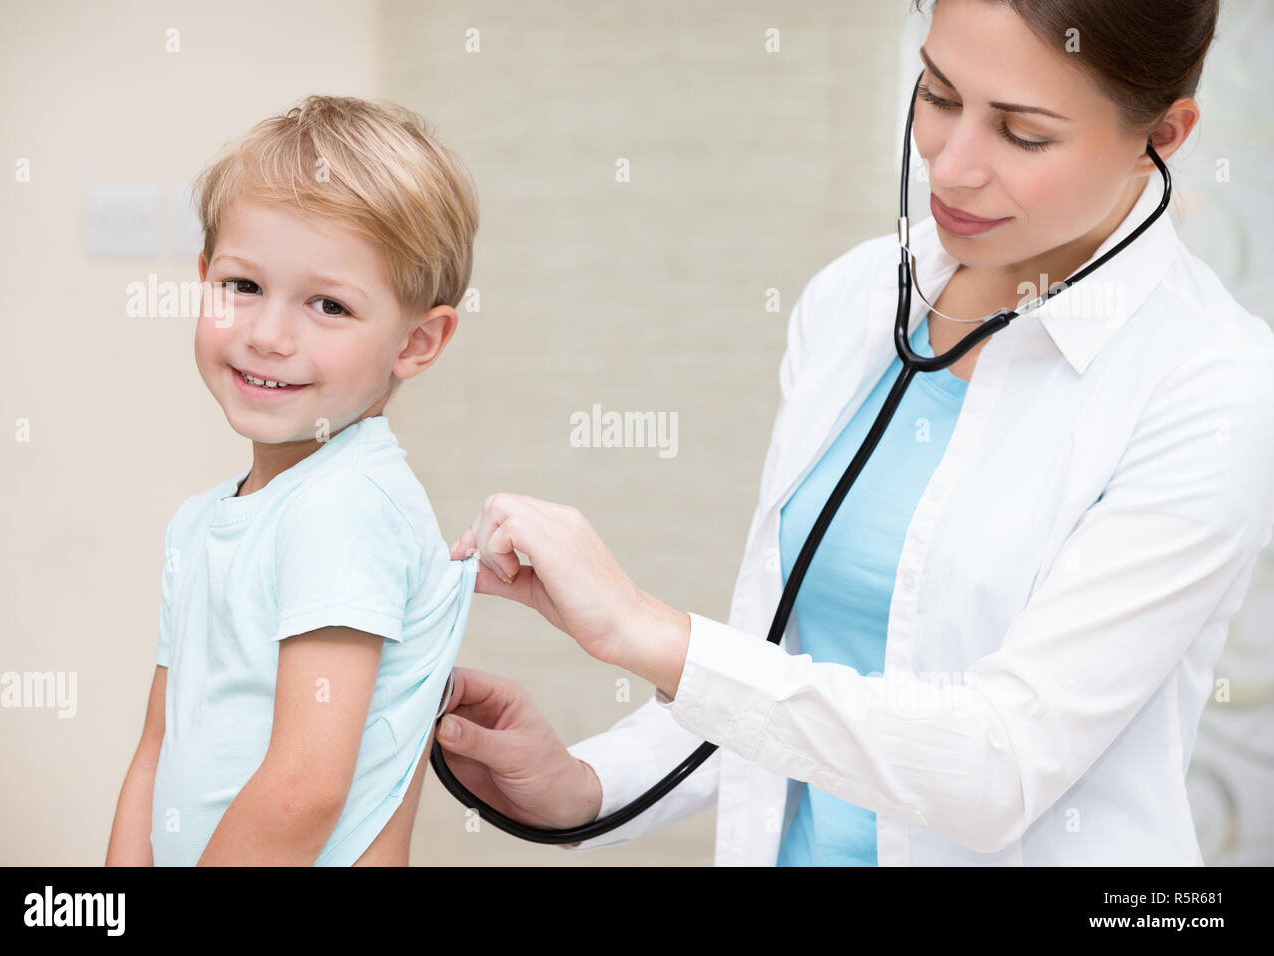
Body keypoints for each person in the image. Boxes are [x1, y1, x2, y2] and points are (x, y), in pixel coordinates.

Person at [437, 0, 1274, 865]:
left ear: (1164, 136)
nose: (949, 166)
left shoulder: (1213, 388)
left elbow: (1002, 765)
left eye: (1022, 134)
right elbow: (790, 667)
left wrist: (644, 631)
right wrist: (588, 786)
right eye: (939, 94)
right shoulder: (857, 301)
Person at [104, 95, 481, 866]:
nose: (267, 336)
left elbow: (304, 788)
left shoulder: (344, 507)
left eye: (329, 305)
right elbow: (157, 745)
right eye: (242, 286)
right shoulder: (203, 520)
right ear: (205, 277)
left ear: (417, 340)